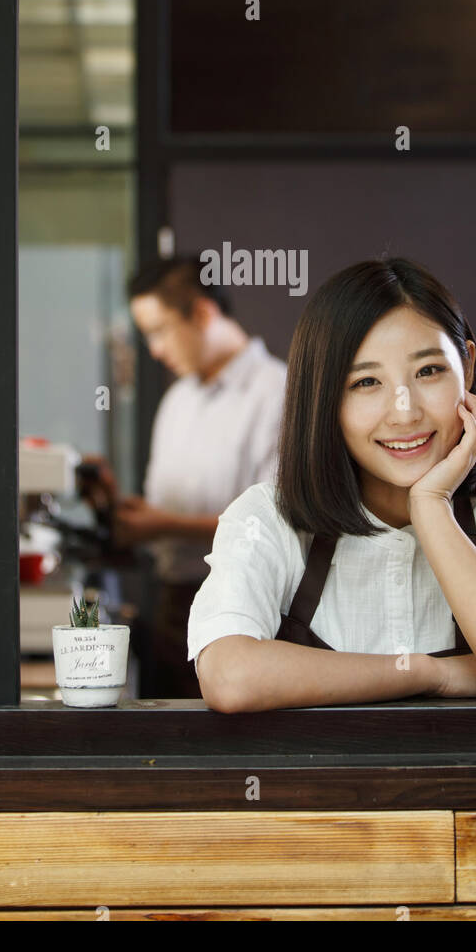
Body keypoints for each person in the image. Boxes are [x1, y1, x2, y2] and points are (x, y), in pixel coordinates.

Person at [189, 256, 476, 713]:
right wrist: (429, 673)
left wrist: (430, 507)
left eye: (428, 371)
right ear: (323, 396)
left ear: (467, 366)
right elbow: (230, 677)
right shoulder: (267, 520)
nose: (404, 412)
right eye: (366, 382)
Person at [116, 255, 287, 698]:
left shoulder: (277, 393)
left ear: (203, 313)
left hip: (246, 610)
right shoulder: (177, 401)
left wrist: (163, 525)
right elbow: (163, 510)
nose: (154, 350)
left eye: (158, 331)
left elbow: (279, 522)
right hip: (170, 605)